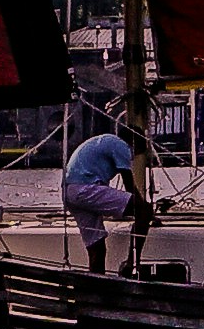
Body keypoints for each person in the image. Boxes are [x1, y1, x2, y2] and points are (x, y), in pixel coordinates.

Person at [59, 113, 142, 273]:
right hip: (85, 188)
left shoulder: (105, 140)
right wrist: (143, 209)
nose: (133, 158)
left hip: (69, 192)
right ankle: (132, 263)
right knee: (144, 210)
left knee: (97, 249)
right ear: (135, 142)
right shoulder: (121, 145)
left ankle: (95, 290)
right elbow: (129, 184)